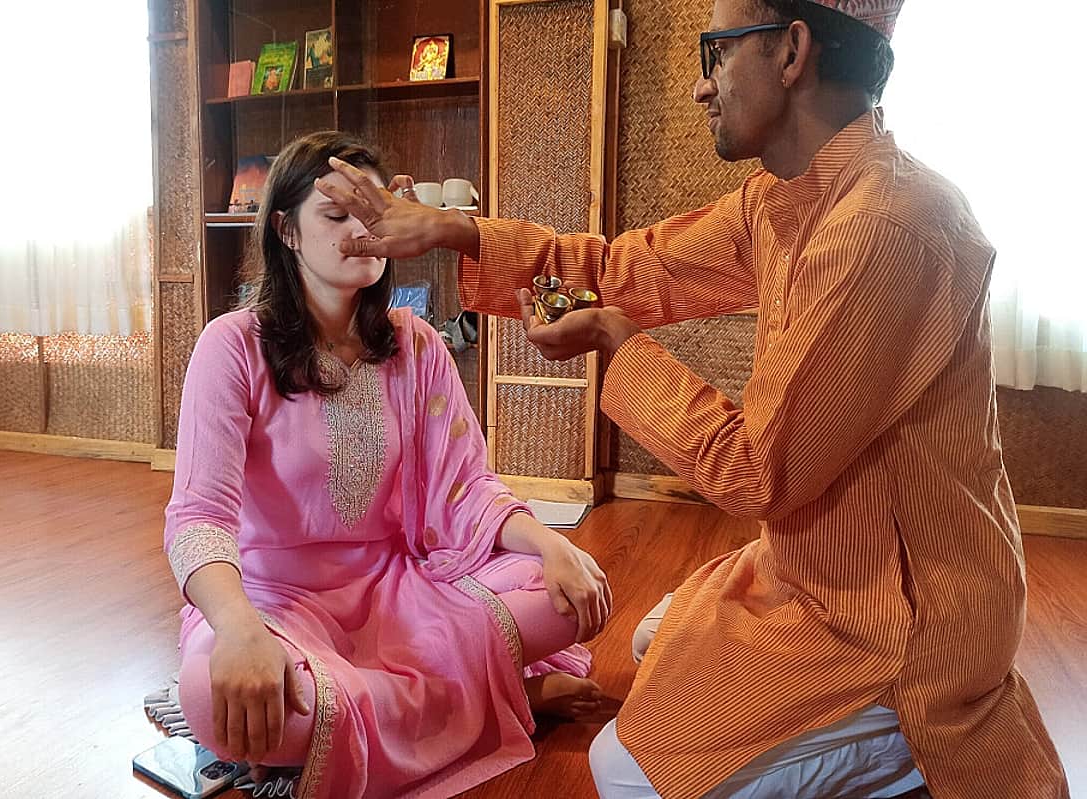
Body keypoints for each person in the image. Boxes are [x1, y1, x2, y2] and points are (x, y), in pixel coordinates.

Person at [315, 0, 1071, 796]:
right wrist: (451, 231)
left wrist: (615, 349)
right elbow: (622, 268)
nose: (701, 89)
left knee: (622, 770)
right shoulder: (787, 199)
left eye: (716, 52)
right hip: (812, 566)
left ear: (792, 52)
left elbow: (757, 471)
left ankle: (908, 750)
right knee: (652, 638)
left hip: (897, 619)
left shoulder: (883, 227)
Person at [163, 131, 613, 799]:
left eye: (370, 210)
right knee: (210, 692)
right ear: (286, 232)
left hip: (402, 592)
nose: (359, 230)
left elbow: (466, 485)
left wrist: (550, 542)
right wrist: (237, 628)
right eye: (335, 214)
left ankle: (361, 715)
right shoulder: (231, 346)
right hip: (273, 600)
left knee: (570, 590)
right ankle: (506, 693)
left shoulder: (415, 342)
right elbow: (199, 515)